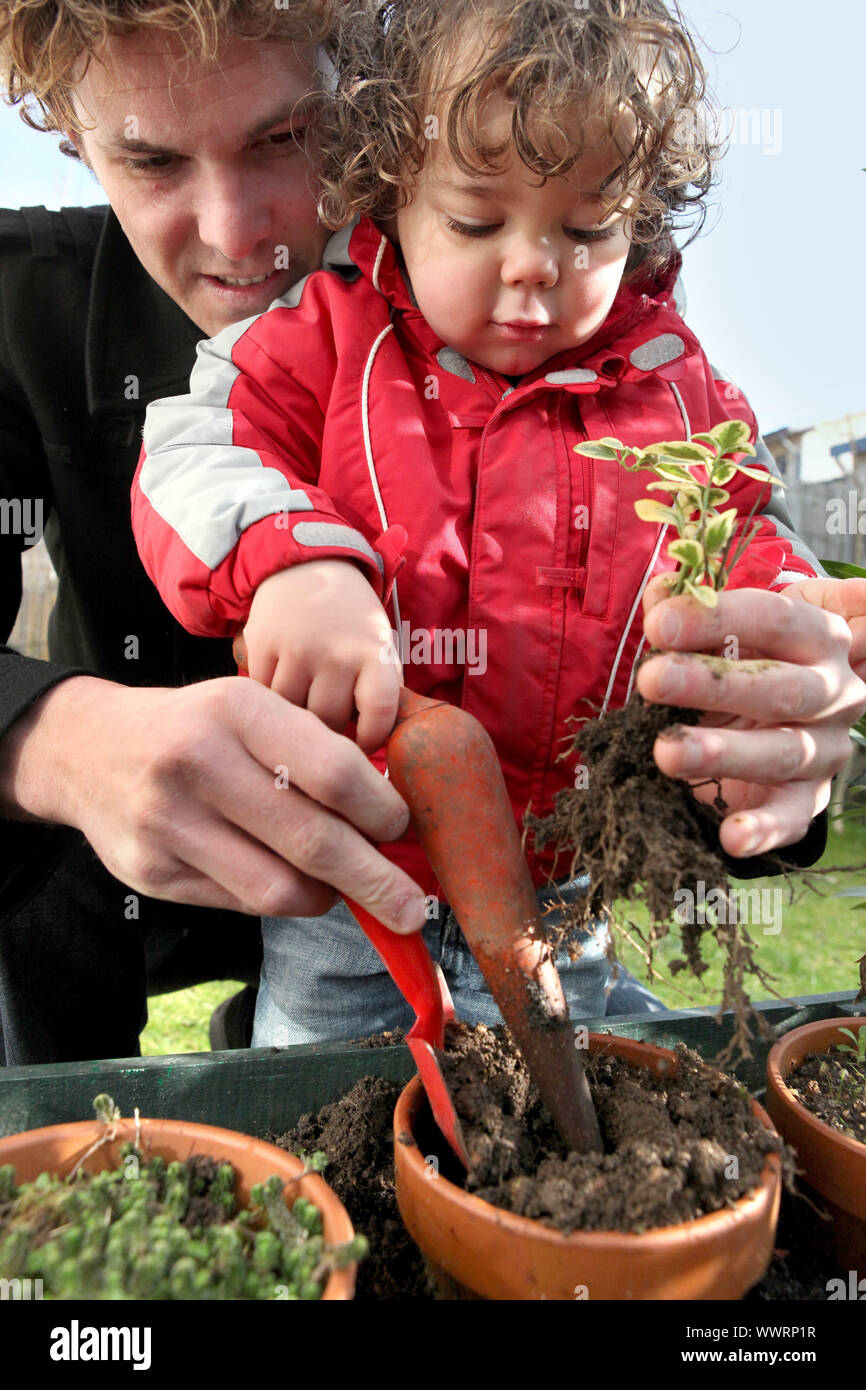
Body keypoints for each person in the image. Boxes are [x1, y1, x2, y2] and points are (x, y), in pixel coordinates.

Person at [132, 0, 866, 1046]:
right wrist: (293, 562)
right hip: (355, 890)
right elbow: (191, 451)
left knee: (577, 1096)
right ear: (392, 196)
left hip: (564, 897)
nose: (533, 265)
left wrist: (775, 627)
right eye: (477, 222)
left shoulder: (678, 398)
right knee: (322, 1105)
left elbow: (741, 531)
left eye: (584, 229)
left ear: (640, 221)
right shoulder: (329, 340)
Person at [0, 0, 436, 1065]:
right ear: (67, 128)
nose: (238, 234)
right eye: (151, 160)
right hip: (98, 869)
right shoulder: (19, 303)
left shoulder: (507, 287)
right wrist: (56, 743)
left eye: (287, 138)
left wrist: (740, 773)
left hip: (410, 868)